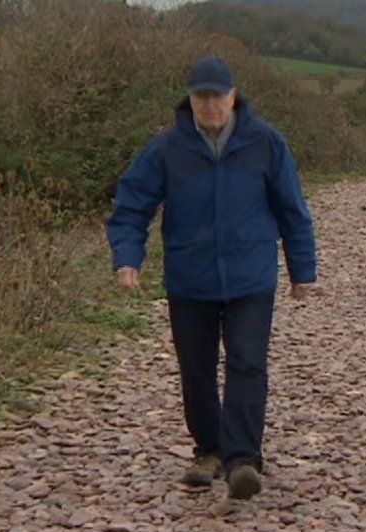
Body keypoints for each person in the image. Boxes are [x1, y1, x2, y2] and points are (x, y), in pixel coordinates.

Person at [105, 57, 317, 500]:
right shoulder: (166, 148)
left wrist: (303, 270)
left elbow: (292, 210)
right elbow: (131, 206)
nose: (210, 105)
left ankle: (243, 460)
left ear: (233, 96)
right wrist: (127, 258)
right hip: (190, 278)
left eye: (217, 96)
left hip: (250, 277)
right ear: (190, 100)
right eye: (201, 97)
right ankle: (209, 450)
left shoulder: (266, 143)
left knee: (247, 363)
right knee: (196, 368)